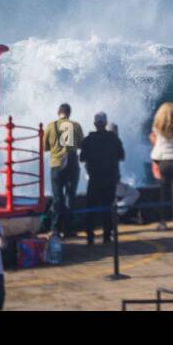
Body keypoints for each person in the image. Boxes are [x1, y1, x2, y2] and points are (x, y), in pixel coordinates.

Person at [79, 112, 124, 246]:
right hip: (110, 179)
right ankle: (106, 236)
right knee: (108, 207)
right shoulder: (114, 138)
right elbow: (121, 156)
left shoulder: (88, 139)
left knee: (91, 208)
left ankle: (90, 237)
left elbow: (82, 158)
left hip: (94, 179)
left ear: (94, 124)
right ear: (105, 124)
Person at [44, 104, 84, 237]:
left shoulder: (51, 126)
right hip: (72, 165)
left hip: (56, 165)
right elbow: (81, 145)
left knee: (57, 198)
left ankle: (55, 228)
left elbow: (44, 147)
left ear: (58, 112)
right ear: (69, 113)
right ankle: (69, 229)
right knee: (70, 196)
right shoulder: (76, 125)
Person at [150, 102, 173, 229]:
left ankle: (163, 222)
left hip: (163, 161)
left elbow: (155, 139)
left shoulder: (157, 127)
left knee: (163, 193)